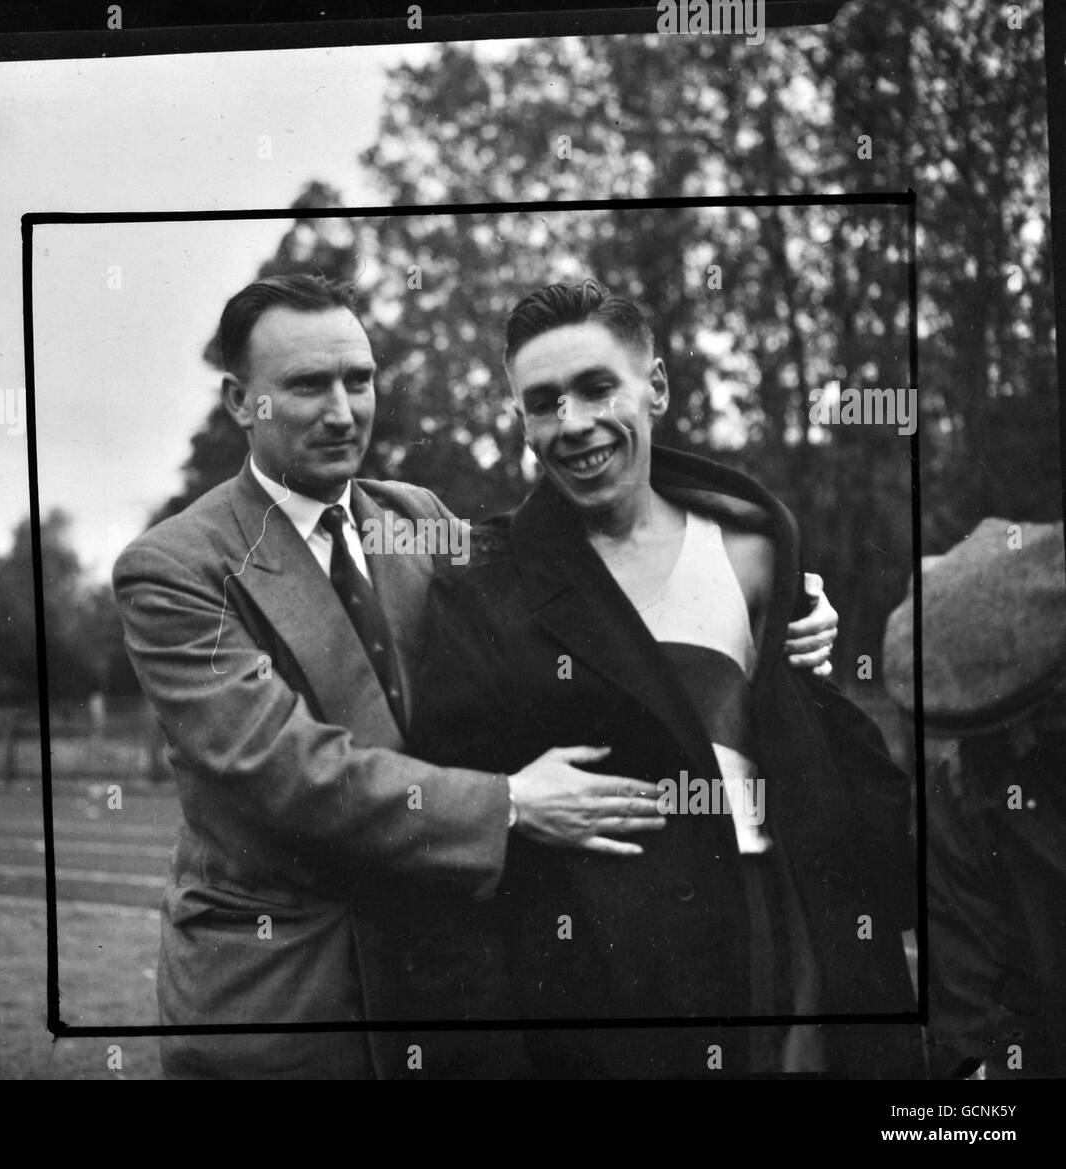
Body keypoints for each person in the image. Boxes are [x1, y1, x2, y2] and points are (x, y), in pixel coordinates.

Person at [112, 273, 841, 1079]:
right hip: (282, 996)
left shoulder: (416, 517)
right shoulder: (176, 567)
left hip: (434, 977)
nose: (343, 410)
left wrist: (773, 605)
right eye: (307, 385)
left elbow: (570, 588)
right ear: (240, 401)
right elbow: (282, 767)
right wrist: (513, 803)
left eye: (359, 380)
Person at [394, 280, 922, 1078]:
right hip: (620, 1004)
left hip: (798, 945)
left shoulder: (752, 538)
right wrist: (513, 803)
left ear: (658, 388)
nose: (573, 424)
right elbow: (448, 845)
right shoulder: (484, 587)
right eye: (543, 403)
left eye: (597, 387)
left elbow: (797, 723)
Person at [882, 518, 1066, 1079]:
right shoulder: (961, 799)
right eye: (990, 733)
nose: (1021, 743)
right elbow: (971, 1022)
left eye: (1043, 717)